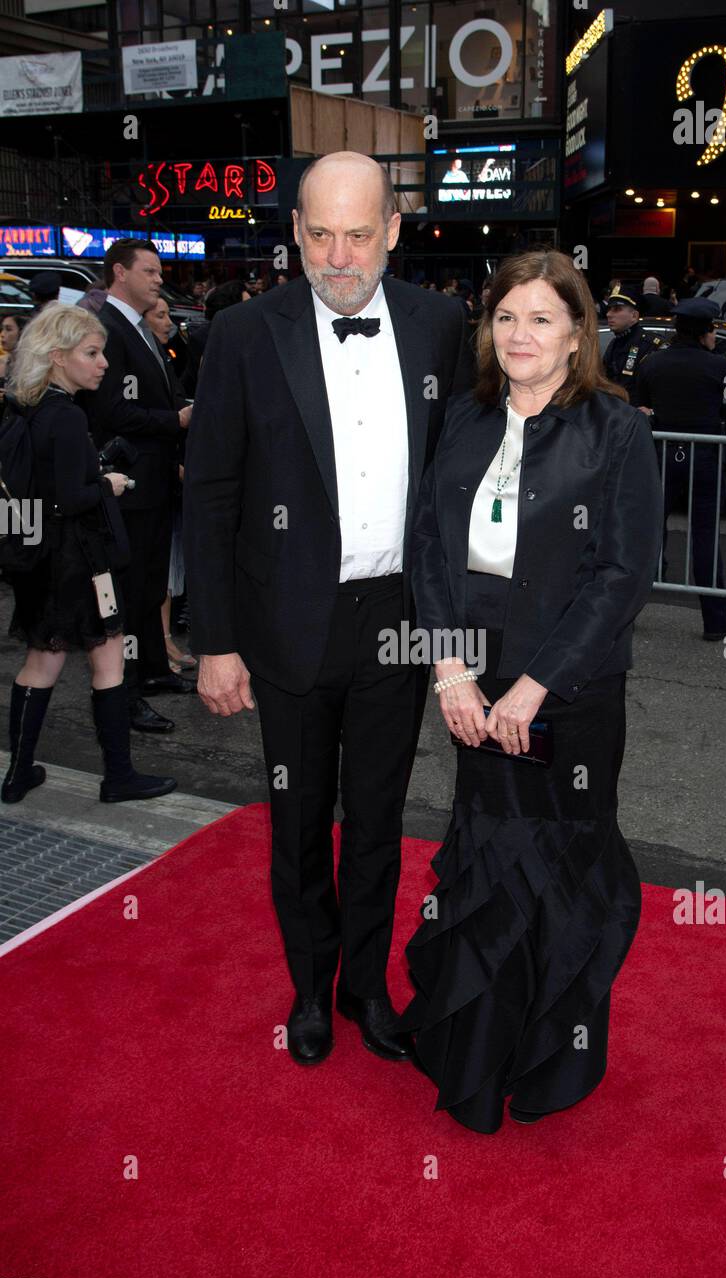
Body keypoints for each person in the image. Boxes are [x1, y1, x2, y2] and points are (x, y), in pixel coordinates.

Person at [184, 151, 474, 1068]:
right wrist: (214, 642)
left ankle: (365, 986)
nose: (339, 258)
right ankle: (311, 989)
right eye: (319, 236)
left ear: (393, 230)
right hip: (287, 623)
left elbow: (461, 475)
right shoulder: (243, 332)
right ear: (295, 234)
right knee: (300, 820)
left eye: (357, 235)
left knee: (379, 822)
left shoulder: (440, 324)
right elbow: (211, 494)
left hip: (399, 619)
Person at [398, 249, 663, 1133]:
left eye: (542, 318)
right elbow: (429, 548)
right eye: (506, 316)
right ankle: (474, 1055)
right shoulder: (465, 418)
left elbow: (622, 576)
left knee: (561, 870)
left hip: (572, 696)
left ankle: (548, 1059)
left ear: (577, 333)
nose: (520, 334)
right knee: (486, 863)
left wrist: (537, 686)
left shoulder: (616, 430)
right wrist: (450, 669)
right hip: (471, 684)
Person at [1, 303, 176, 805]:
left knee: (41, 663)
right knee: (110, 663)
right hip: (82, 560)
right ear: (58, 356)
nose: (103, 364)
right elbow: (70, 498)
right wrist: (108, 484)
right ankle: (118, 777)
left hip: (38, 559)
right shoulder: (66, 416)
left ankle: (17, 774)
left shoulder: (22, 408)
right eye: (92, 353)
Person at [85, 238, 194, 735]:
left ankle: (152, 669)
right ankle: (125, 694)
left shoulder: (138, 327)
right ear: (119, 273)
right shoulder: (107, 329)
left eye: (159, 271)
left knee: (150, 583)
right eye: (149, 271)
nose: (158, 279)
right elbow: (111, 412)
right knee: (127, 592)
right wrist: (175, 420)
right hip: (127, 485)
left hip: (153, 482)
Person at [632, 298, 726, 641]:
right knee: (705, 537)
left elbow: (640, 402)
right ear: (706, 332)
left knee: (648, 534)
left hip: (662, 454)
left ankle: (625, 615)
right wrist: (716, 353)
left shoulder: (652, 362)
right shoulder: (720, 366)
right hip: (704, 457)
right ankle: (715, 621)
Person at [143, 296, 197, 677]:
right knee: (157, 572)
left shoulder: (166, 356)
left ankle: (162, 643)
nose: (169, 323)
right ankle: (157, 648)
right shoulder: (141, 360)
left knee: (166, 570)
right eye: (160, 316)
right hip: (155, 479)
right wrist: (177, 420)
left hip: (171, 477)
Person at [602, 288, 665, 401]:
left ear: (634, 316)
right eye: (609, 309)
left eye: (616, 309)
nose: (608, 314)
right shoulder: (614, 343)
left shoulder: (650, 344)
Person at [0, 313, 27, 413]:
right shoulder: (3, 362)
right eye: (2, 329)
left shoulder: (33, 367)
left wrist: (9, 397)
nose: (2, 334)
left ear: (22, 333)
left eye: (8, 329)